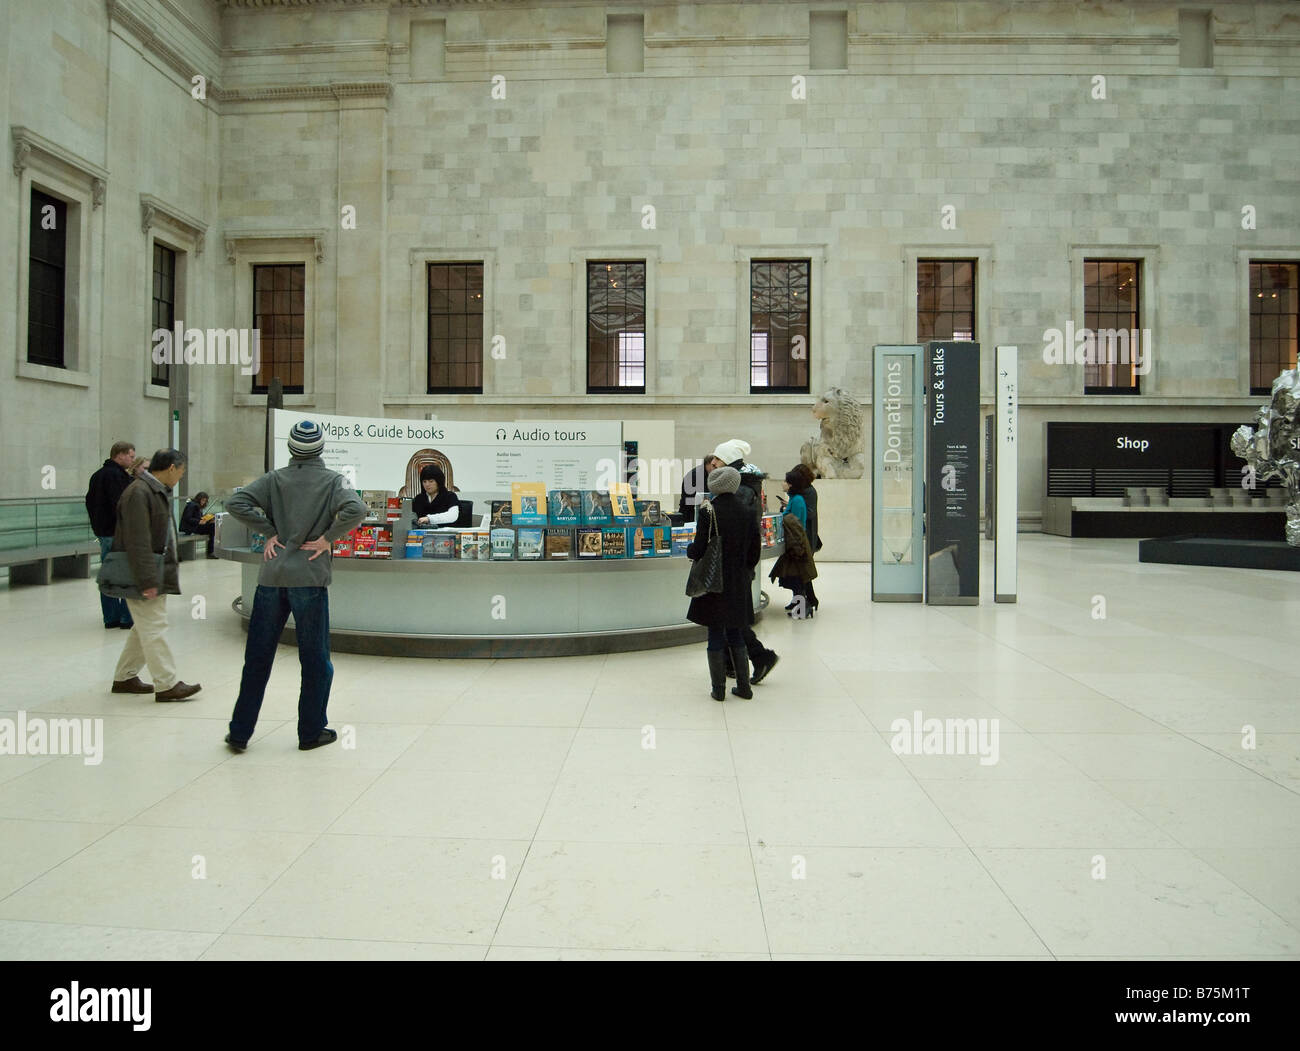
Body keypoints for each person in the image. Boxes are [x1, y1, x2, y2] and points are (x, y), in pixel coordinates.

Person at [224, 420, 368, 752]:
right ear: (320, 449)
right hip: (309, 576)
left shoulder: (274, 479)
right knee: (315, 658)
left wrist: (269, 531)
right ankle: (311, 731)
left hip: (273, 576)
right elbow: (357, 509)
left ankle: (240, 732)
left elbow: (236, 503)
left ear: (290, 448)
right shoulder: (333, 481)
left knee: (258, 657)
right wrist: (327, 539)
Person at [109, 448, 201, 701]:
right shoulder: (139, 493)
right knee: (154, 627)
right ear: (171, 468)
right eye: (181, 472)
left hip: (154, 571)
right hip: (143, 575)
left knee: (144, 626)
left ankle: (125, 677)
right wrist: (147, 580)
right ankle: (167, 684)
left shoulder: (154, 491)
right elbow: (137, 540)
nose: (181, 477)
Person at [685, 466, 760, 701]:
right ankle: (744, 687)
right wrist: (745, 570)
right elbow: (754, 552)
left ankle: (718, 690)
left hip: (714, 580)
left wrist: (690, 551)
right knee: (736, 631)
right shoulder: (748, 511)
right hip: (739, 581)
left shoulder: (709, 511)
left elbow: (699, 548)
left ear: (714, 486)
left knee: (715, 632)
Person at [712, 439, 780, 684]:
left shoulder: (738, 491)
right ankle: (732, 663)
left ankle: (760, 656)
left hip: (733, 564)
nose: (713, 463)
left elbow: (733, 529)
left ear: (728, 462)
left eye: (717, 459)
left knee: (732, 617)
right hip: (740, 563)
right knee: (730, 616)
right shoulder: (747, 486)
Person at [86, 441, 136, 629]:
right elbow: (122, 505)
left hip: (104, 533)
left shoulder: (97, 475)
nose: (132, 460)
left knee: (108, 576)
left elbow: (89, 503)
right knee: (126, 574)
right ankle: (125, 617)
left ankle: (110, 617)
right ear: (120, 455)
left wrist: (98, 527)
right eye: (131, 456)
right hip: (118, 533)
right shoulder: (117, 476)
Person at [772, 464, 820, 619]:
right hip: (796, 542)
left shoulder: (801, 497)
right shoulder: (796, 498)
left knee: (799, 576)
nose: (783, 483)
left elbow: (798, 523)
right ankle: (802, 603)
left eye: (786, 481)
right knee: (795, 576)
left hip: (798, 543)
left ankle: (805, 605)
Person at [677, 453, 722, 523]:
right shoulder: (693, 476)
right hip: (690, 515)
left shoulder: (710, 474)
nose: (717, 469)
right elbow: (688, 501)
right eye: (714, 466)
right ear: (708, 464)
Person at [180, 491, 217, 558]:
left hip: (194, 526)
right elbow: (188, 518)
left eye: (205, 501)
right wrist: (199, 521)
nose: (203, 502)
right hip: (190, 528)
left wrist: (207, 520)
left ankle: (211, 551)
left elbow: (198, 518)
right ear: (198, 499)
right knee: (212, 527)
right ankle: (210, 552)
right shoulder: (192, 505)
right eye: (202, 500)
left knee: (212, 525)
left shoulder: (196, 506)